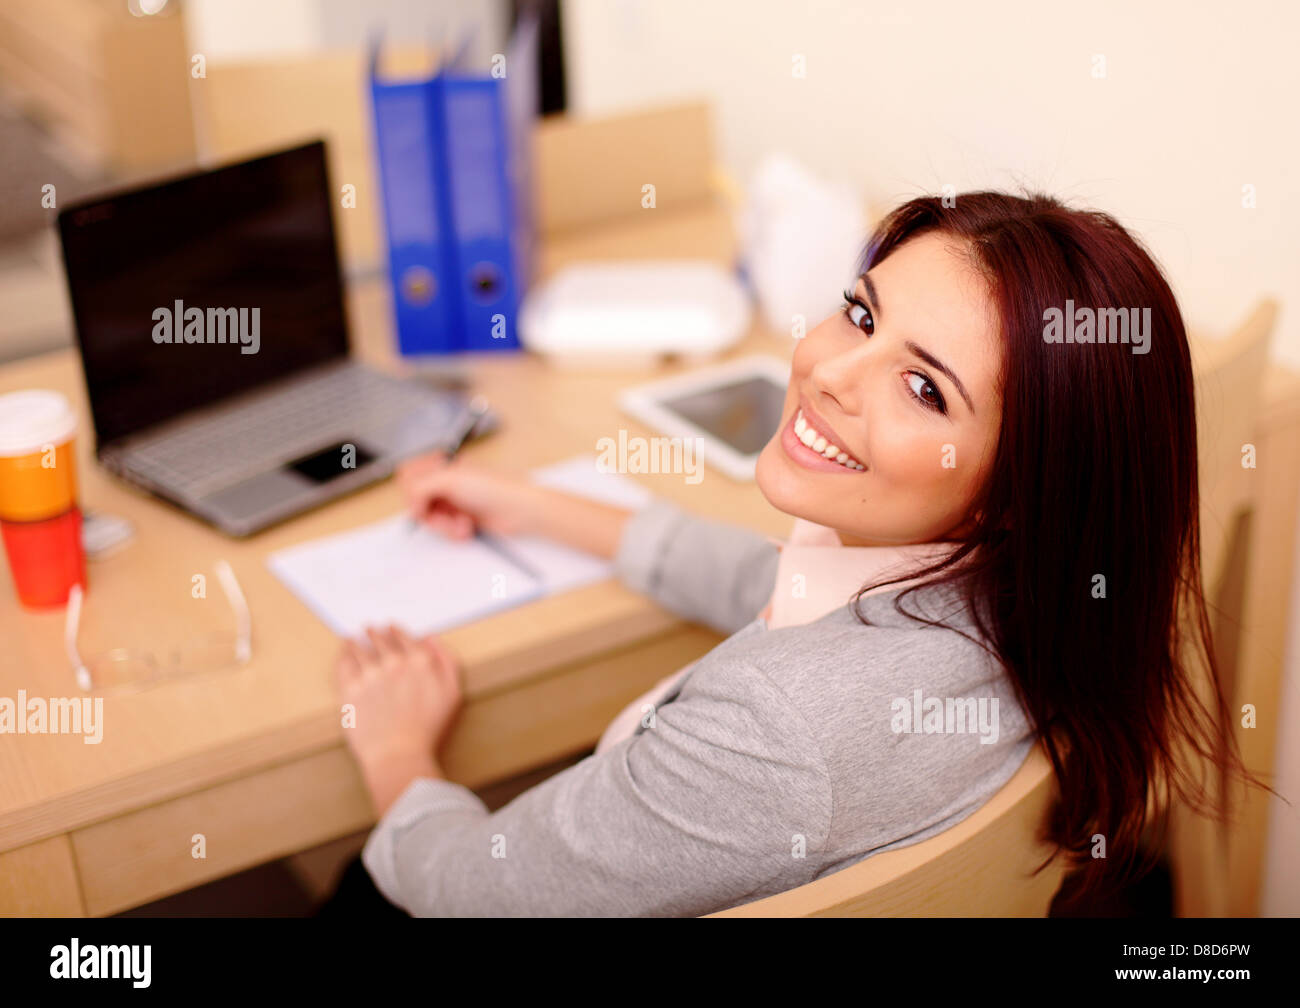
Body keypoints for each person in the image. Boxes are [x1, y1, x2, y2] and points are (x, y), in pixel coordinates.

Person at [328, 191, 1261, 917]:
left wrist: (398, 747)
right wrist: (532, 504)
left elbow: (472, 898)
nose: (827, 372)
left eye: (924, 390)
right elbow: (769, 579)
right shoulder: (1016, 599)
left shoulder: (774, 735)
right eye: (861, 315)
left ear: (1023, 485)